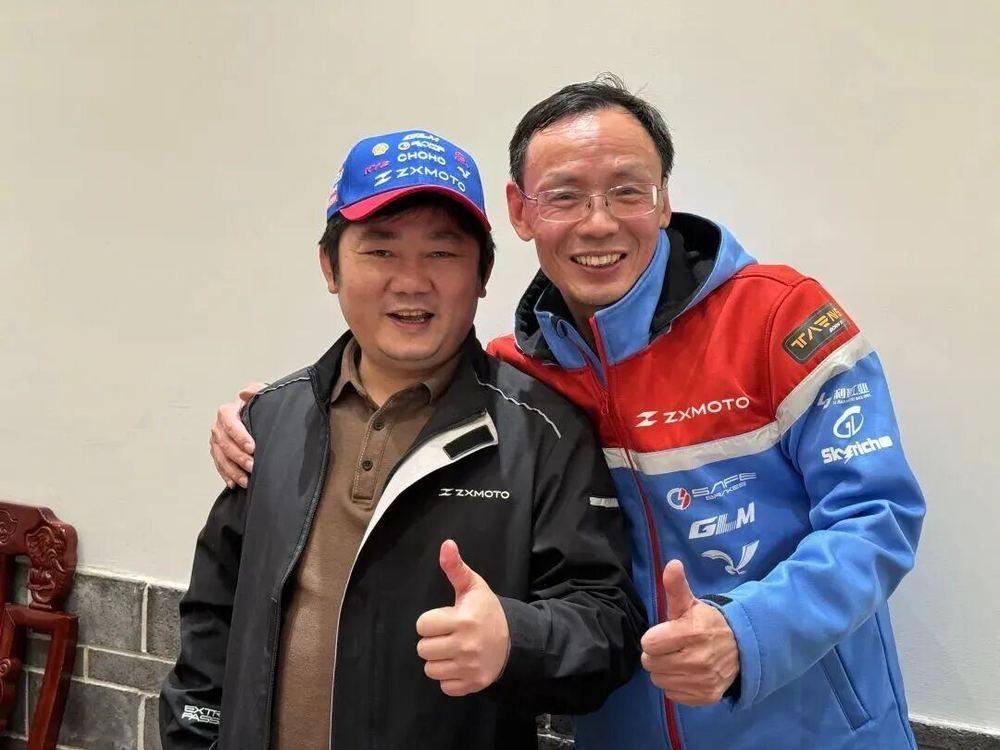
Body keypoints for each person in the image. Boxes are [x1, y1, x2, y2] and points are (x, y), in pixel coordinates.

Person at [210, 77, 926, 750]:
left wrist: (747, 634)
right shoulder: (523, 378)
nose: (598, 223)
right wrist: (273, 414)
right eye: (564, 196)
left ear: (664, 199)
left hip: (814, 728)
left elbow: (879, 516)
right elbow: (390, 376)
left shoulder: (779, 318)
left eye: (627, 191)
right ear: (522, 212)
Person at [161, 128, 646, 750]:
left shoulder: (544, 434)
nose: (411, 281)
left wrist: (515, 639)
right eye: (380, 250)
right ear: (330, 267)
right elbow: (214, 617)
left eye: (442, 253)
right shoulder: (269, 422)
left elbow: (608, 624)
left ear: (483, 273)